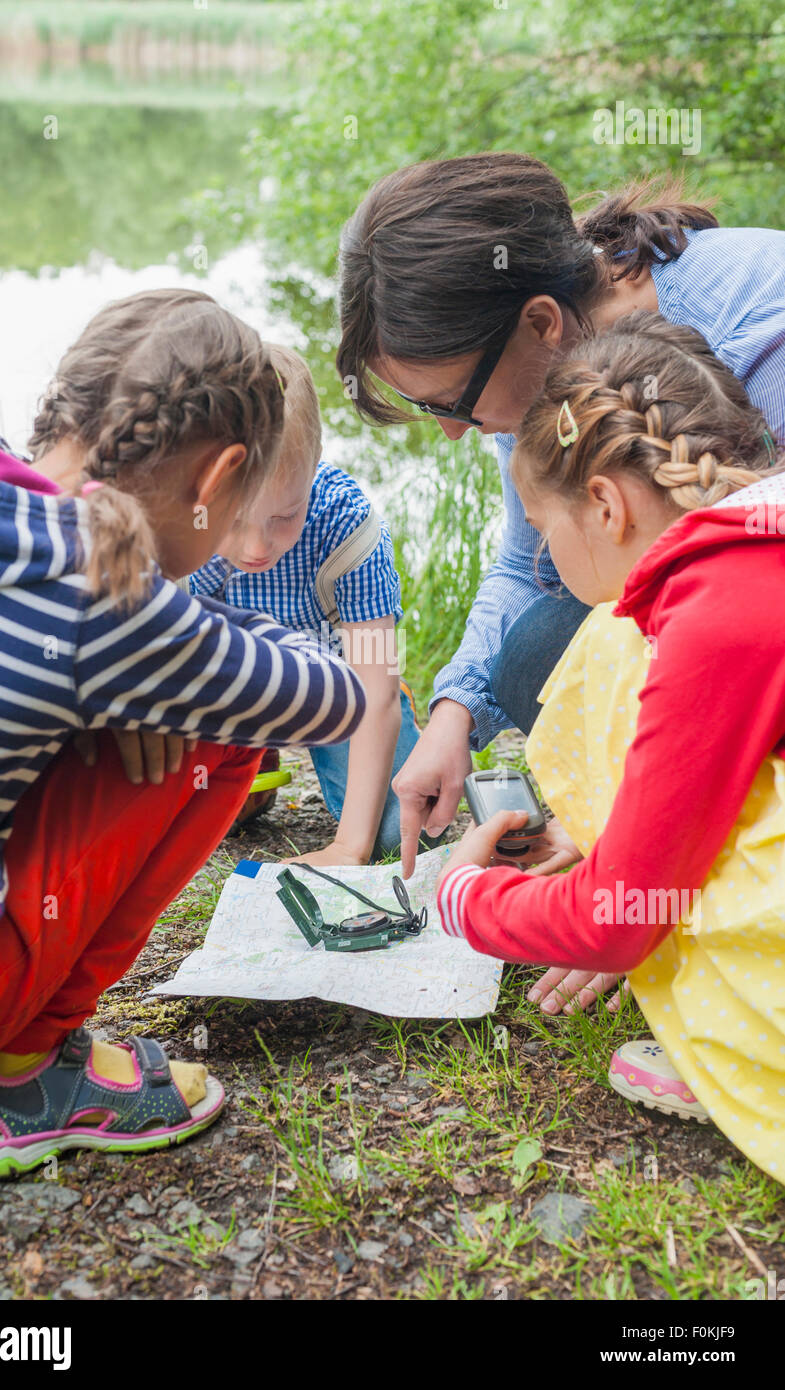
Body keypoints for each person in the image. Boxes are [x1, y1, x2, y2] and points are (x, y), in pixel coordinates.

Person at [0, 288, 364, 1178]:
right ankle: (28, 1073)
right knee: (222, 733)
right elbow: (336, 696)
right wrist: (172, 660)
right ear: (216, 477)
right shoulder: (108, 599)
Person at [336, 151, 785, 1013]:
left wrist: (641, 900)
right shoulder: (547, 368)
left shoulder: (758, 323)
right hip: (739, 632)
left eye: (451, 404)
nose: (455, 435)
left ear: (540, 321)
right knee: (536, 653)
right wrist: (454, 719)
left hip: (751, 634)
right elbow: (525, 565)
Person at [435, 311, 785, 1182]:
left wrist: (466, 897)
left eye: (540, 527)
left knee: (605, 634)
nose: (546, 564)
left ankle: (742, 1039)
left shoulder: (716, 613)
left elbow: (618, 919)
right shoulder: (755, 539)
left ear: (604, 503)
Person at [190, 344, 434, 866]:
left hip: (339, 691)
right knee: (197, 817)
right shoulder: (187, 524)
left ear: (313, 469)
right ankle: (253, 770)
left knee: (398, 830)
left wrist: (350, 846)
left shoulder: (346, 526)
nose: (257, 547)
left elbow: (373, 691)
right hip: (232, 690)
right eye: (234, 521)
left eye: (284, 516)